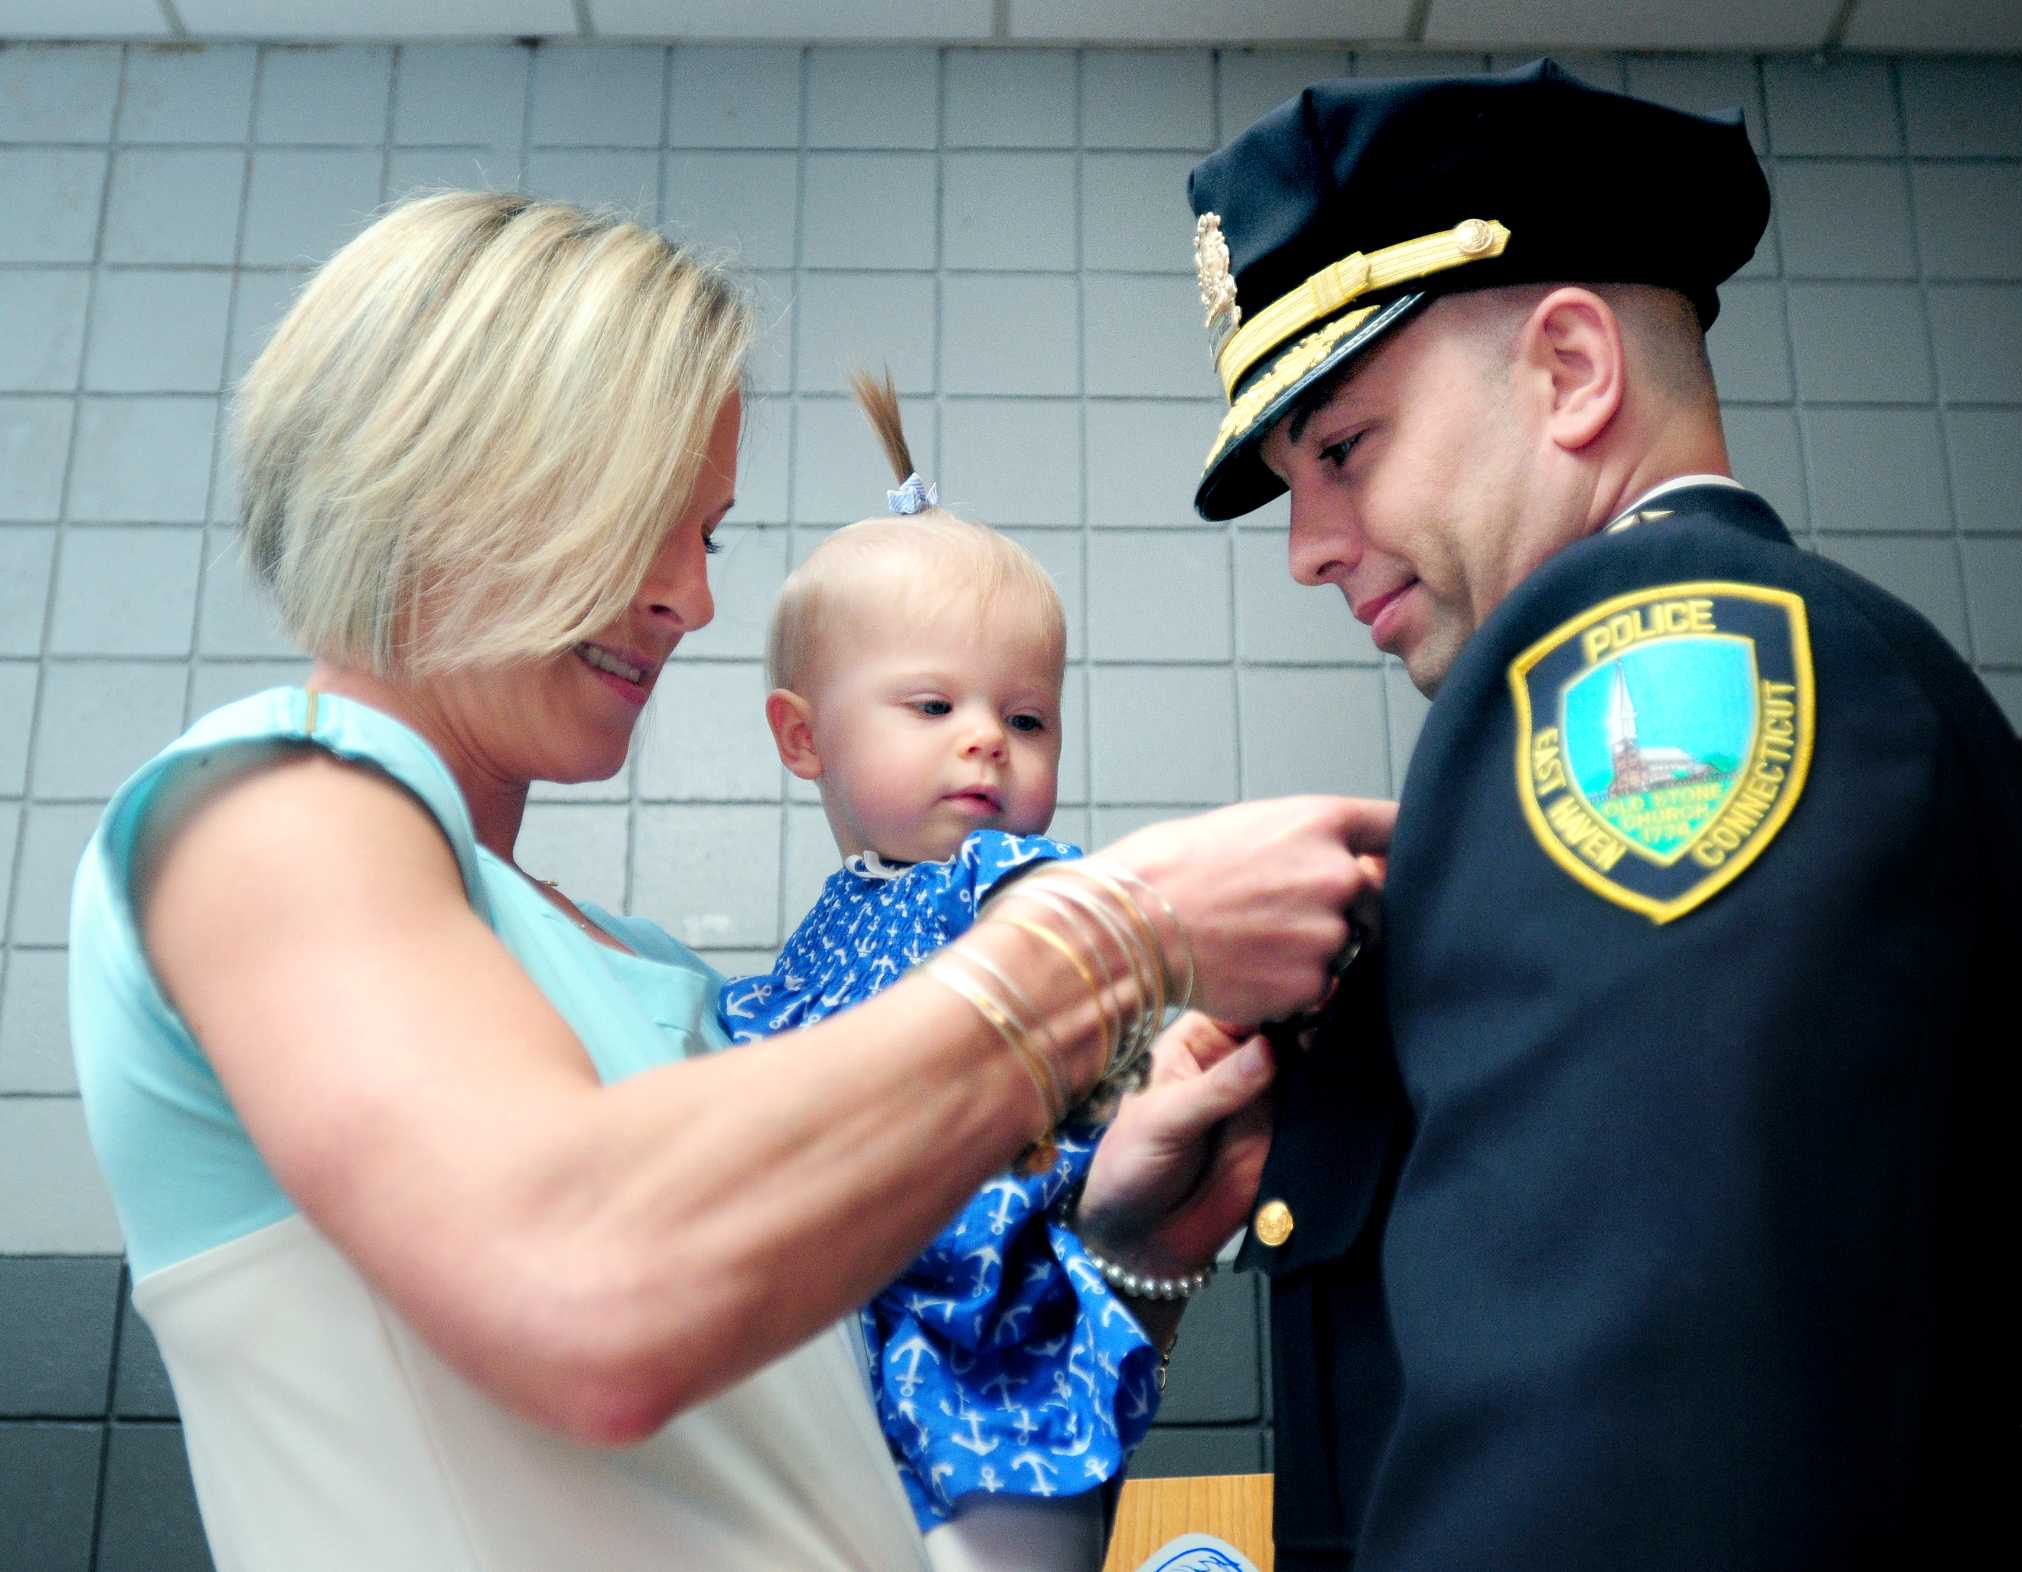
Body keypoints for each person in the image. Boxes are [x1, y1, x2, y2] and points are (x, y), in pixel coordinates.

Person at [65, 190, 1395, 1572]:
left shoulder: (664, 984)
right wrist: (1120, 934)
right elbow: (588, 1295)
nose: (694, 603)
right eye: (655, 518)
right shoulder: (256, 806)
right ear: (447, 469)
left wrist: (1130, 1251)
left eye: (710, 536)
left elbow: (877, 1501)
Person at [1181, 60, 2022, 1569]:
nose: (1309, 549)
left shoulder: (1660, 650)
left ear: (1573, 370)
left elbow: (1634, 1429)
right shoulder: (1734, 659)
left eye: (1341, 449)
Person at [717, 372, 1171, 1571]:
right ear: (802, 736)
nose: (984, 737)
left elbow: (1108, 963)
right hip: (845, 1326)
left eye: (1026, 719)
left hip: (989, 1322)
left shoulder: (1012, 886)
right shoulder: (829, 928)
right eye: (933, 703)